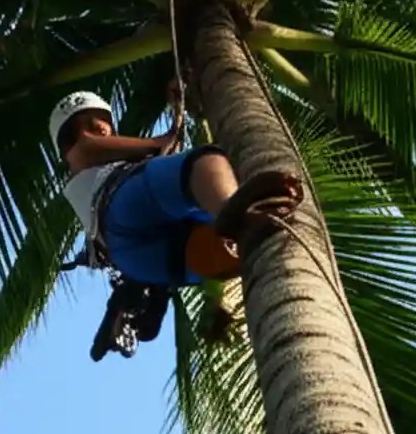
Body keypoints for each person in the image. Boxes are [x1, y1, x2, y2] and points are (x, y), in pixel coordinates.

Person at [49, 89, 302, 289]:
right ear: (69, 141)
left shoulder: (110, 168)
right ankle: (232, 212)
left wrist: (176, 110)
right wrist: (157, 141)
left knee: (222, 246)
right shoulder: (82, 154)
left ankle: (241, 245)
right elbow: (84, 149)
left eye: (104, 122)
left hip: (138, 260)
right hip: (124, 209)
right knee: (204, 161)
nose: (103, 129)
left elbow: (169, 164)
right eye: (93, 124)